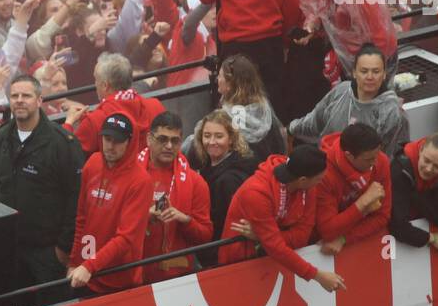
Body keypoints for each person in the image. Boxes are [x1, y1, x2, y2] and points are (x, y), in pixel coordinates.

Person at [0, 74, 84, 304]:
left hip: (47, 253)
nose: (20, 100)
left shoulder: (62, 143)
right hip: (9, 251)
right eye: (15, 96)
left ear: (39, 101)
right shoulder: (1, 138)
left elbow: (76, 199)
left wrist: (63, 248)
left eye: (26, 95)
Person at [218, 144, 346, 292]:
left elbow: (301, 237)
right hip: (240, 263)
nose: (320, 182)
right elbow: (277, 248)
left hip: (276, 261)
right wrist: (318, 276)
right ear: (303, 180)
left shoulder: (307, 186)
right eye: (318, 179)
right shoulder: (256, 193)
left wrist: (261, 237)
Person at [67, 113, 157, 297]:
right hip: (87, 274)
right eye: (107, 139)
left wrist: (88, 265)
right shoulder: (92, 163)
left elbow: (126, 238)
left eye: (117, 141)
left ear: (130, 142)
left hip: (119, 280)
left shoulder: (140, 181)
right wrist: (75, 261)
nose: (110, 146)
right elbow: (82, 219)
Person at [289, 44, 409, 155]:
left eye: (376, 71)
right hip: (328, 166)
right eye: (364, 71)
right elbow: (314, 121)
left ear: (384, 74)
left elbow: (389, 156)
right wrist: (290, 129)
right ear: (354, 73)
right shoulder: (341, 92)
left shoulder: (391, 112)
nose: (370, 77)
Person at [139, 112, 213, 282]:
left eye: (175, 141)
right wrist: (144, 217)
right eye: (162, 139)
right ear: (149, 139)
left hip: (179, 277)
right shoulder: (129, 177)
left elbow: (205, 235)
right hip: (135, 275)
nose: (169, 146)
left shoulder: (196, 183)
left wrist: (185, 220)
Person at [64, 53, 165, 155]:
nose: (95, 84)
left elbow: (67, 155)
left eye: (96, 80)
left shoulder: (94, 121)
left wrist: (68, 124)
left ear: (105, 85)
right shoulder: (156, 107)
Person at [314, 123, 393, 256]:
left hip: (349, 242)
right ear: (349, 156)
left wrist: (345, 238)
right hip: (317, 246)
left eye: (377, 155)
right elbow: (327, 230)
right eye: (368, 159)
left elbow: (382, 216)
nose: (374, 163)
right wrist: (362, 204)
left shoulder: (381, 161)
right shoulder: (323, 174)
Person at [188, 109, 258, 246]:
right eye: (207, 136)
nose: (212, 142)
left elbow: (234, 226)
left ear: (231, 139)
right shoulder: (206, 165)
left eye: (219, 136)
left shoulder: (230, 180)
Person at [389, 132, 438, 253]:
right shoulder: (399, 170)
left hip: (414, 223)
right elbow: (397, 225)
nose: (428, 169)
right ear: (421, 150)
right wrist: (431, 238)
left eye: (437, 167)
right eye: (426, 160)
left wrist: (414, 196)